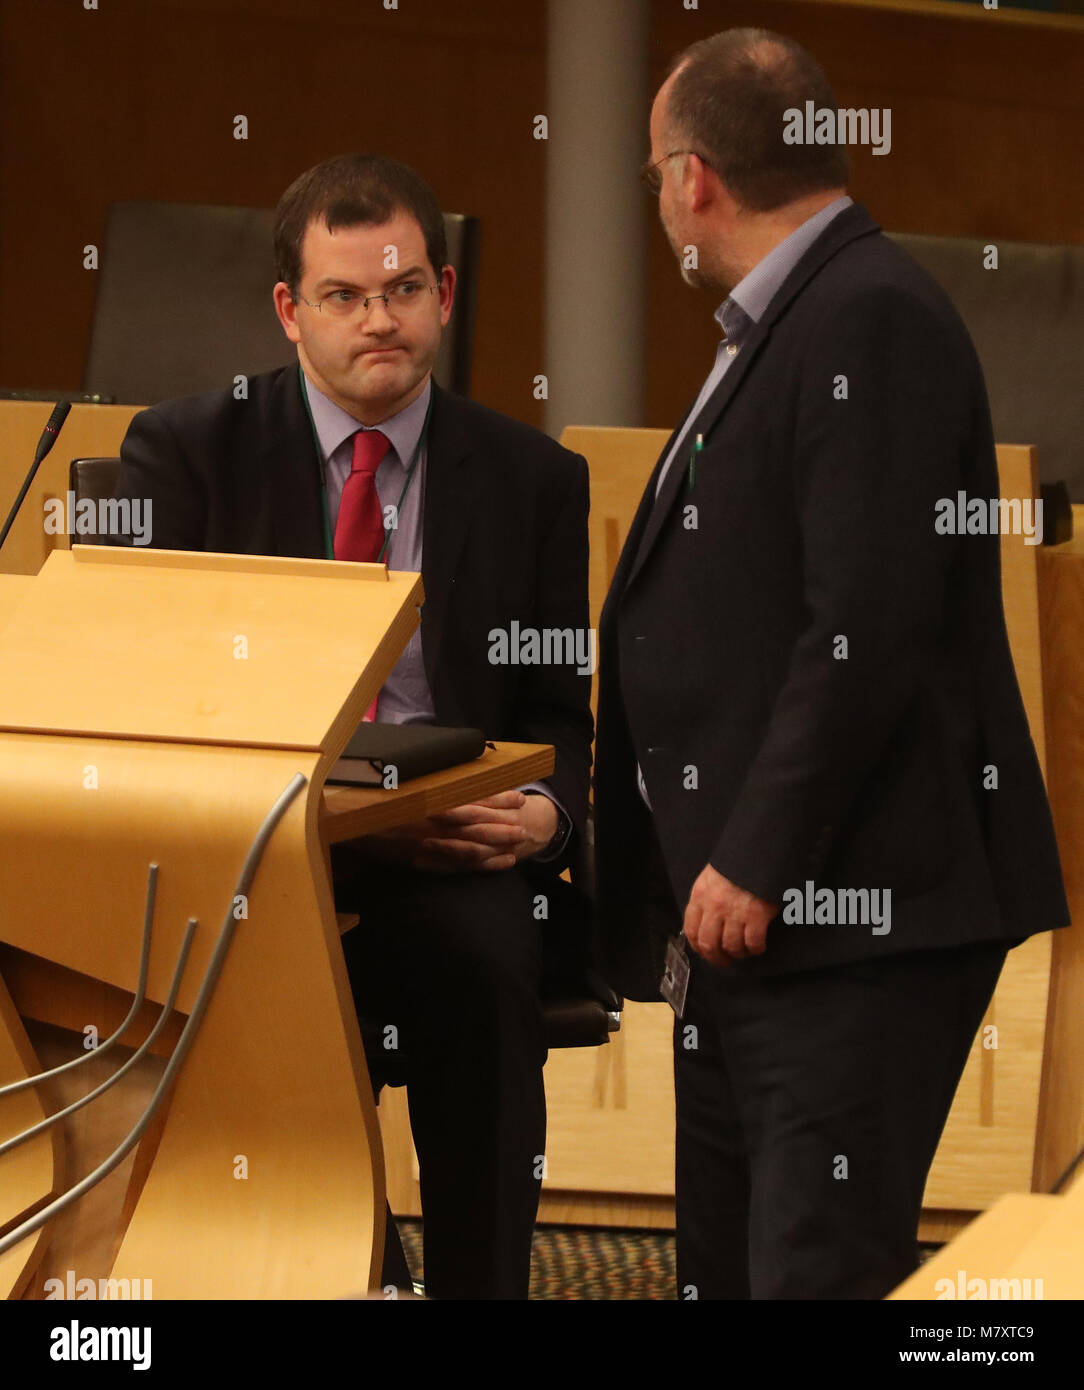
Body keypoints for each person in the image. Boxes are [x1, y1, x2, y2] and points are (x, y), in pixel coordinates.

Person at [593, 29, 1069, 1300]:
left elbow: (865, 625)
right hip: (762, 932)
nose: (658, 207)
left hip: (848, 920)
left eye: (651, 178)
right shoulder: (791, 315)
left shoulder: (869, 317)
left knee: (813, 1277)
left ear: (694, 177)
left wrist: (757, 849)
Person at [110, 154, 593, 1300]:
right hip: (252, 867)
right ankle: (352, 1271)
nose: (380, 318)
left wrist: (541, 815)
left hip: (449, 856)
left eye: (404, 288)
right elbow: (153, 706)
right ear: (289, 310)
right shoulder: (185, 455)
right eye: (344, 295)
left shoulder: (534, 480)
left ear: (446, 294)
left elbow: (555, 717)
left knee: (483, 968)